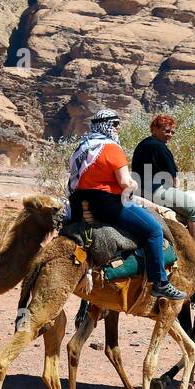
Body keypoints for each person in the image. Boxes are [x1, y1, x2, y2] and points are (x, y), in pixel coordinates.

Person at [68, 109, 185, 301]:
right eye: (115, 125)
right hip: (108, 203)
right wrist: (134, 185)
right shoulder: (111, 148)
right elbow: (125, 182)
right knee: (154, 230)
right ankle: (160, 283)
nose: (117, 129)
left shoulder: (84, 146)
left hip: (81, 201)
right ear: (107, 126)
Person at [130, 114, 195, 246]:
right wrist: (175, 189)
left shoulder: (143, 144)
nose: (170, 134)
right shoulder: (160, 147)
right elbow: (174, 178)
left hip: (139, 188)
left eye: (172, 132)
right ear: (154, 129)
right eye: (166, 131)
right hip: (156, 189)